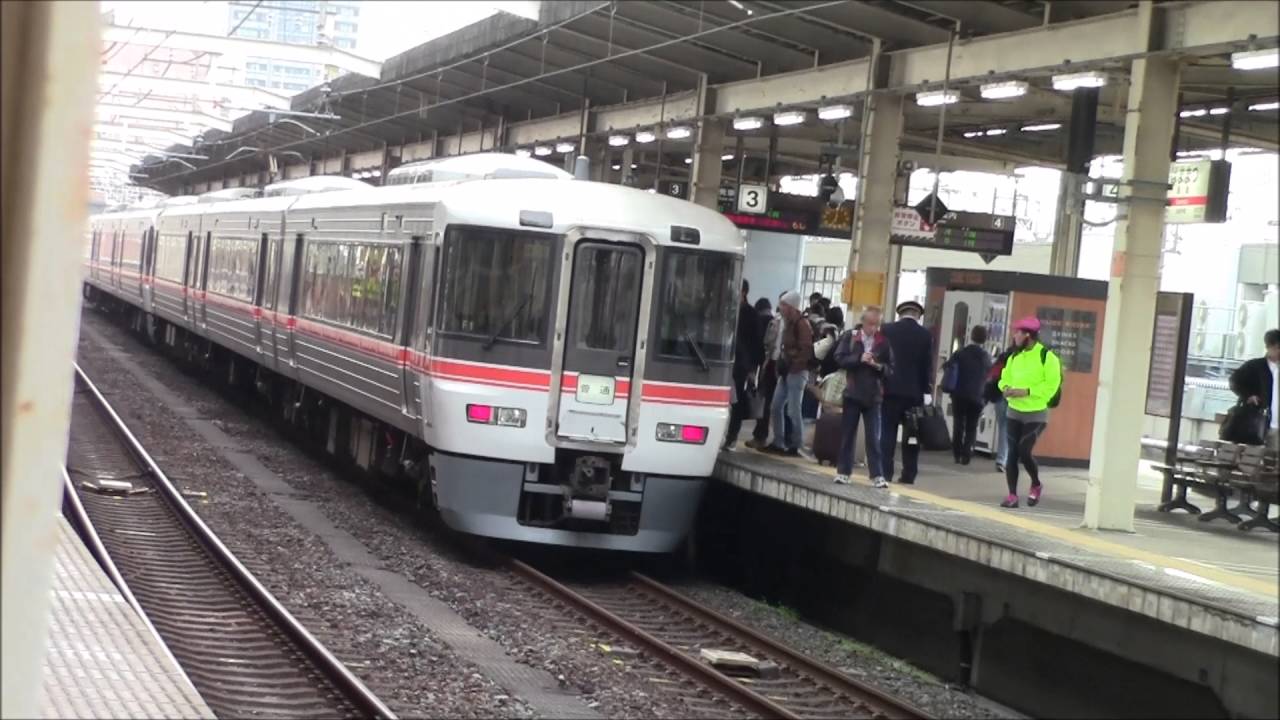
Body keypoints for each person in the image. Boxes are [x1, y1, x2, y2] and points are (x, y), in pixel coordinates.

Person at [997, 316, 1062, 508]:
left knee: (1024, 451)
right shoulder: (1014, 357)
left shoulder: (1047, 357)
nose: (1015, 336)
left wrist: (1026, 392)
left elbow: (1051, 386)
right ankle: (1012, 495)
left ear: (1028, 335)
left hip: (1036, 413)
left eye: (1018, 333)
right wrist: (1005, 388)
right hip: (1014, 411)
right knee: (1012, 453)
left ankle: (1036, 484)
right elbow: (1004, 378)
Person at [833, 307, 893, 487]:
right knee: (848, 435)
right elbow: (839, 358)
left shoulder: (883, 342)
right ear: (863, 322)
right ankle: (843, 472)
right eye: (870, 324)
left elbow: (890, 368)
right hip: (852, 393)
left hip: (873, 396)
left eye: (877, 324)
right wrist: (859, 358)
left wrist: (878, 365)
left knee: (873, 437)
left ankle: (877, 475)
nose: (873, 328)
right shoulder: (851, 337)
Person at [880, 300, 934, 485]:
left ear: (900, 314)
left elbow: (881, 357)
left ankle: (885, 472)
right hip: (914, 393)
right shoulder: (925, 335)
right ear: (918, 315)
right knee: (912, 435)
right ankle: (909, 474)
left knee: (887, 432)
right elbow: (926, 366)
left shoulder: (886, 330)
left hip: (889, 390)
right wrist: (927, 391)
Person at [765, 290, 814, 456]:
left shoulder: (802, 324)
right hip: (787, 370)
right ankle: (778, 442)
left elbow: (806, 349)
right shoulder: (787, 323)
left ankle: (796, 444)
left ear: (792, 306)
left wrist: (793, 364)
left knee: (793, 409)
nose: (781, 307)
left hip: (797, 372)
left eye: (784, 305)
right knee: (776, 406)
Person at [944, 325, 993, 465]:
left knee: (958, 423)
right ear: (985, 339)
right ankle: (966, 455)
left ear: (971, 336)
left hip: (959, 394)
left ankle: (956, 453)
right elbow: (989, 375)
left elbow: (948, 366)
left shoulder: (960, 353)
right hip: (977, 395)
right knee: (972, 426)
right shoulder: (986, 357)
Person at [724, 280, 764, 450]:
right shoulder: (725, 310)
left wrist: (752, 368)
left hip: (741, 365)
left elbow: (757, 343)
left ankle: (732, 437)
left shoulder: (751, 314)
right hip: (723, 361)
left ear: (743, 292)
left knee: (737, 401)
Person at [1229, 328, 1279, 450]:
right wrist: (1248, 396)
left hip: (1277, 428)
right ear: (1268, 347)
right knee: (1252, 456)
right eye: (1277, 348)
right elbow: (1234, 381)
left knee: (1273, 459)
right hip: (1257, 424)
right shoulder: (1255, 366)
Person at [747, 296, 781, 451]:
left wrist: (753, 369)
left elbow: (761, 346)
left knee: (764, 402)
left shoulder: (763, 321)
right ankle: (772, 438)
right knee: (771, 404)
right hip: (777, 367)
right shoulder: (775, 321)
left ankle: (760, 436)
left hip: (767, 366)